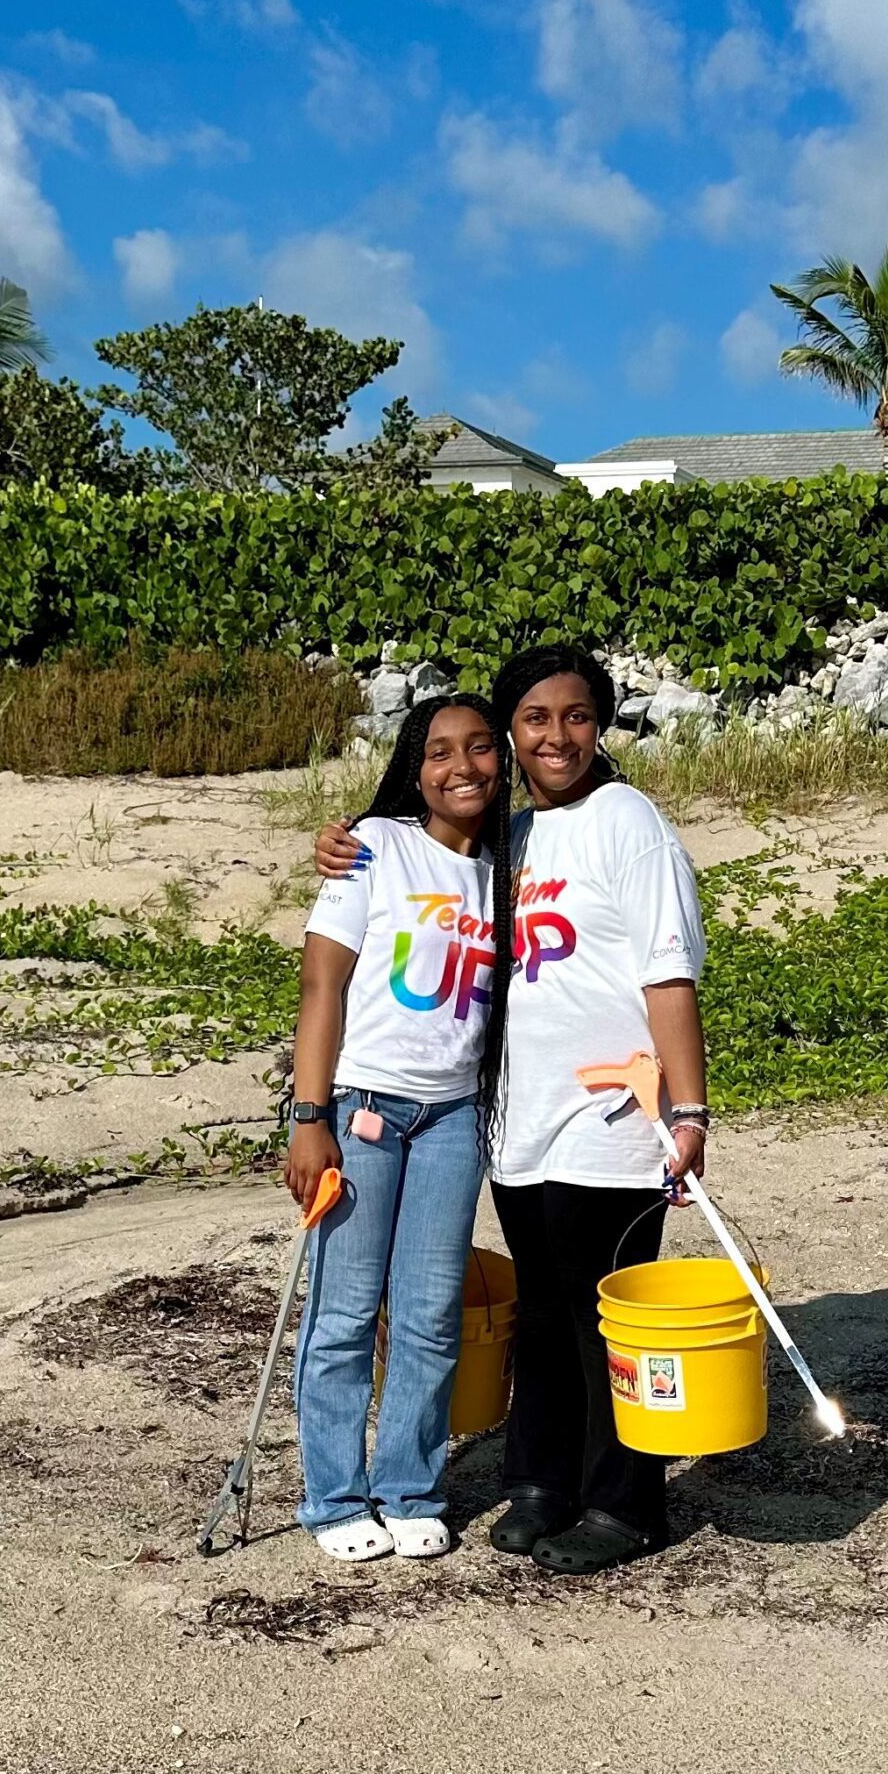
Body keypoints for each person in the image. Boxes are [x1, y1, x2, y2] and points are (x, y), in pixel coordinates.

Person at [315, 645, 708, 1576]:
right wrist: (347, 837)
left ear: (601, 725)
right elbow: (412, 876)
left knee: (600, 1314)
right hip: (515, 1124)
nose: (555, 737)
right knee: (539, 1311)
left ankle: (625, 1502)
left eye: (575, 717)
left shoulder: (630, 822)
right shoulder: (513, 839)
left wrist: (689, 1110)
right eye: (535, 721)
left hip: (613, 1116)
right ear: (513, 740)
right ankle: (540, 1482)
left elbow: (668, 970)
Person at [286, 693, 513, 1562]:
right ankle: (335, 1498)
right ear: (414, 771)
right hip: (361, 1108)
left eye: (482, 748)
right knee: (343, 1314)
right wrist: (311, 1117)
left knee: (427, 1316)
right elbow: (323, 988)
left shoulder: (507, 868)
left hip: (454, 1116)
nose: (464, 768)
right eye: (441, 753)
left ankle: (409, 1486)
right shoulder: (375, 846)